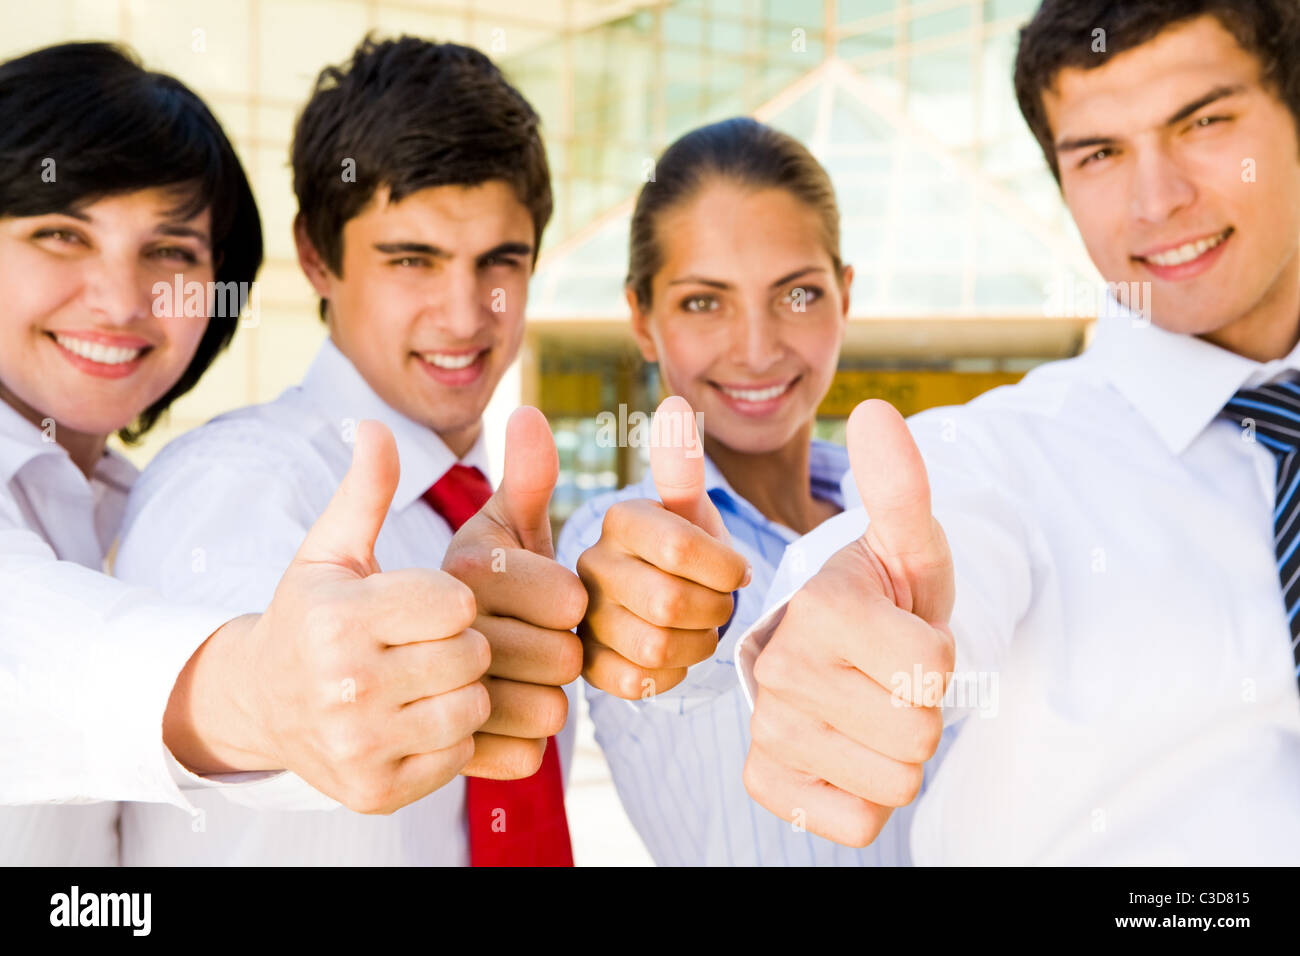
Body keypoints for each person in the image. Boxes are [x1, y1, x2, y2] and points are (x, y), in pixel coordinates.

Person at [739, 0, 1300, 863]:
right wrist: (840, 629)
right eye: (1101, 153)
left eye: (1205, 121)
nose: (1158, 200)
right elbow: (940, 544)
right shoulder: (1003, 455)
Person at [0, 42, 501, 866]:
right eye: (60, 234)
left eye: (171, 252)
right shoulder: (229, 479)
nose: (123, 300)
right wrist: (258, 689)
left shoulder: (125, 507)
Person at [114, 35, 586, 866]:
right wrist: (279, 691)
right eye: (414, 259)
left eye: (499, 262)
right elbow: (247, 673)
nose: (466, 314)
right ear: (315, 257)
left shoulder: (510, 516)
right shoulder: (238, 483)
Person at [556, 117, 948, 864]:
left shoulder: (897, 511)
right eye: (705, 301)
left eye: (796, 295)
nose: (759, 348)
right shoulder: (614, 536)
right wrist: (656, 622)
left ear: (845, 294)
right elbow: (660, 638)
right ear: (642, 319)